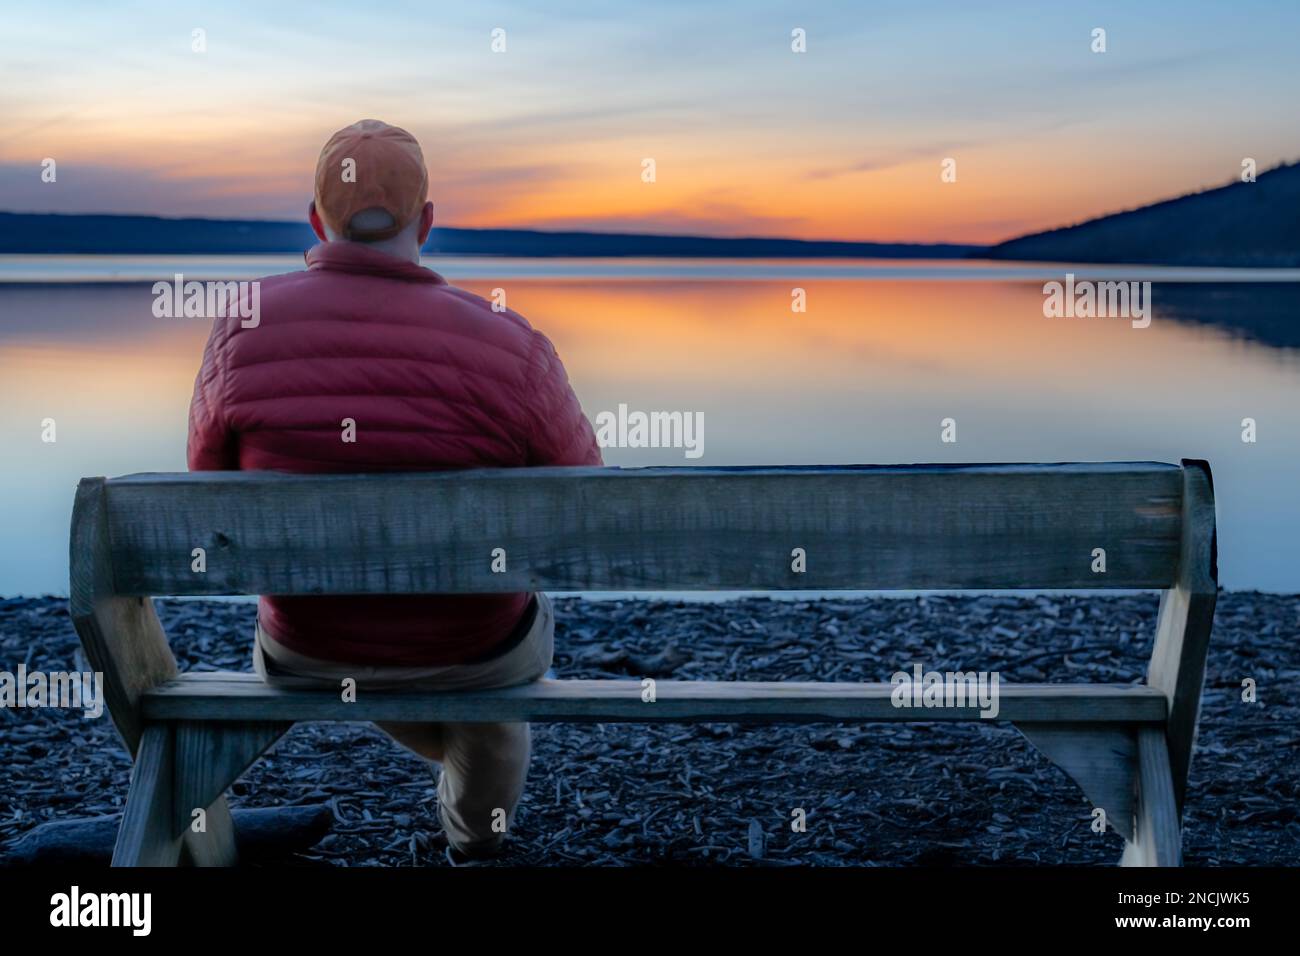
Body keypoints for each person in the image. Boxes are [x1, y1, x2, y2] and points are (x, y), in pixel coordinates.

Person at [186, 119, 602, 864]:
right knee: (492, 693)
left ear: (316, 219)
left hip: (308, 645)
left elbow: (207, 495)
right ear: (429, 222)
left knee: (435, 676)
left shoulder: (241, 328)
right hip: (475, 648)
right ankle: (475, 835)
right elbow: (584, 505)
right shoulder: (514, 346)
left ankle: (464, 801)